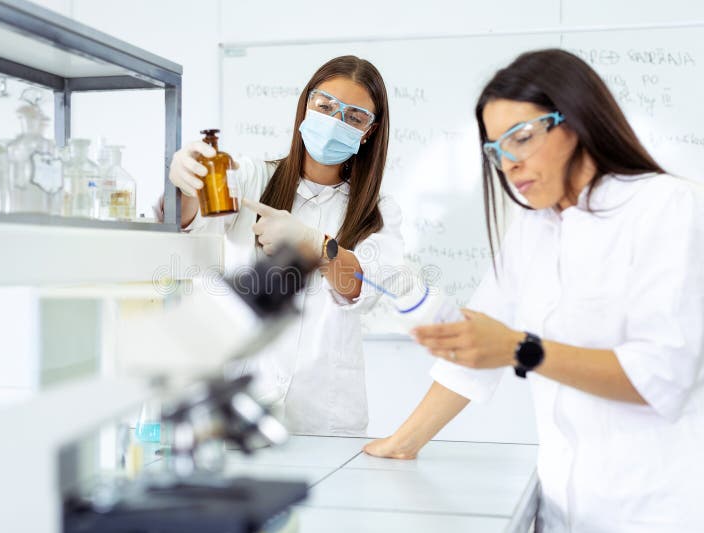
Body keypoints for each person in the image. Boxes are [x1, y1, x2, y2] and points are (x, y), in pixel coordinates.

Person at [364, 49, 704, 532]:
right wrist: (405, 441)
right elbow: (473, 346)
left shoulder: (668, 208)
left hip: (658, 510)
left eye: (521, 138)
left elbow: (660, 378)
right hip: (564, 507)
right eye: (496, 150)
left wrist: (522, 350)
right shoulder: (534, 226)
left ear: (579, 122)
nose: (509, 164)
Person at [161, 55, 404, 436]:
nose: (335, 121)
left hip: (325, 413)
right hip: (242, 398)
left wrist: (316, 244)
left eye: (354, 117)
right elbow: (191, 220)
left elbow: (365, 286)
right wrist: (183, 182)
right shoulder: (254, 176)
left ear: (370, 131)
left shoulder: (378, 210)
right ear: (306, 105)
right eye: (325, 106)